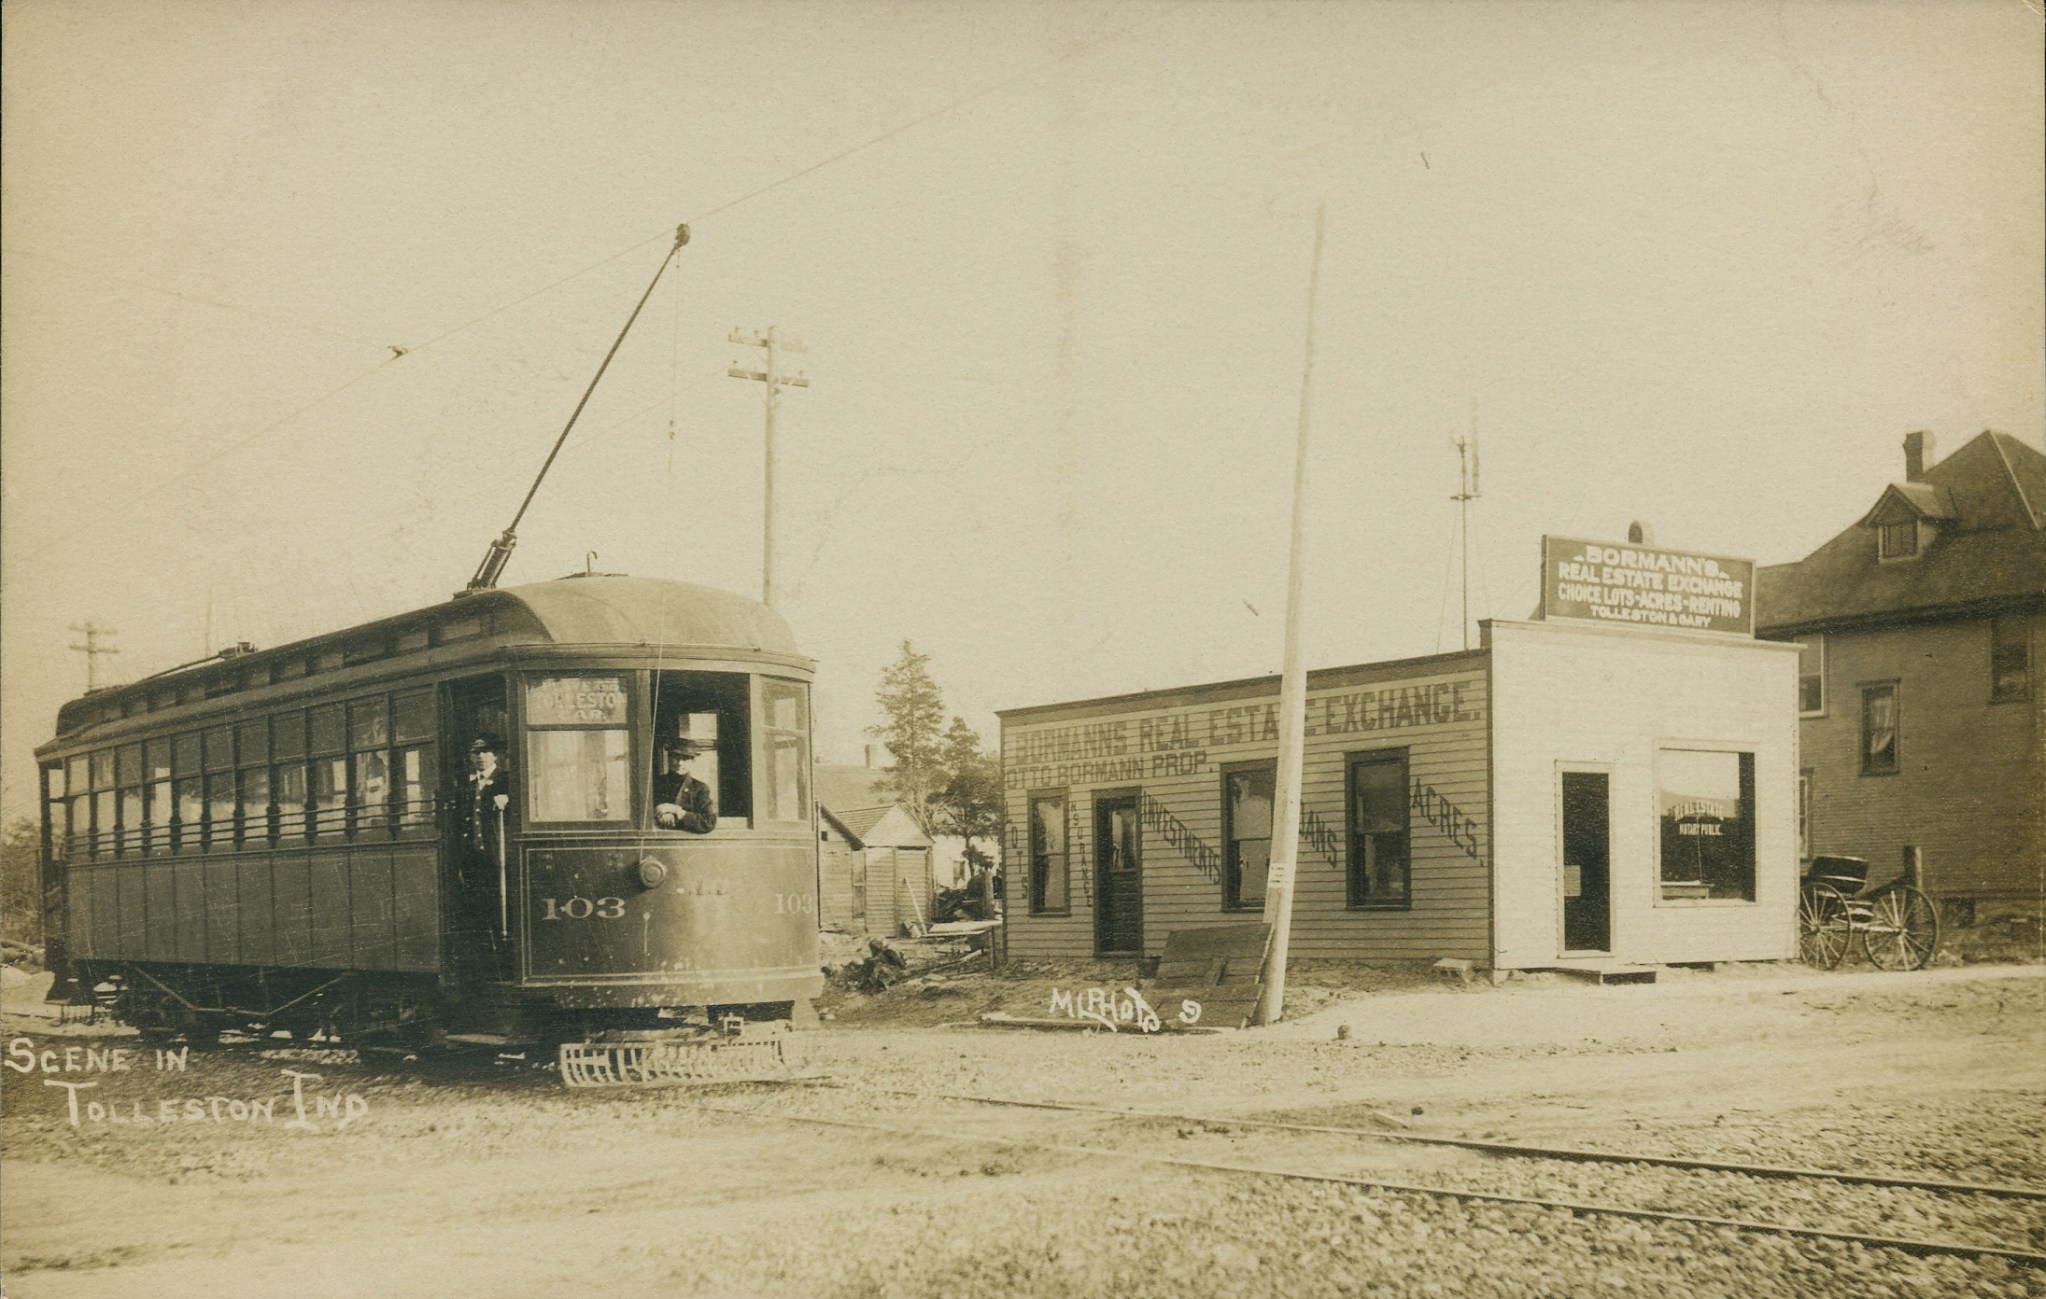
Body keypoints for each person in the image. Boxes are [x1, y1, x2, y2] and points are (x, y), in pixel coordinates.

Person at [459, 737, 511, 973]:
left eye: (486, 751)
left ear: (495, 755)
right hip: (474, 858)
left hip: (498, 857)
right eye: (476, 752)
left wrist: (509, 800)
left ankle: (502, 957)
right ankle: (484, 960)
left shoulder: (506, 780)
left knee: (500, 904)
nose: (480, 756)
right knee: (478, 907)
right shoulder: (468, 783)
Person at [652, 737, 717, 833]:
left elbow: (708, 823)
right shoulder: (656, 783)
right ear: (669, 757)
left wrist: (678, 811)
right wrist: (659, 813)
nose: (680, 763)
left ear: (692, 761)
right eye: (676, 757)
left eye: (685, 759)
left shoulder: (700, 789)